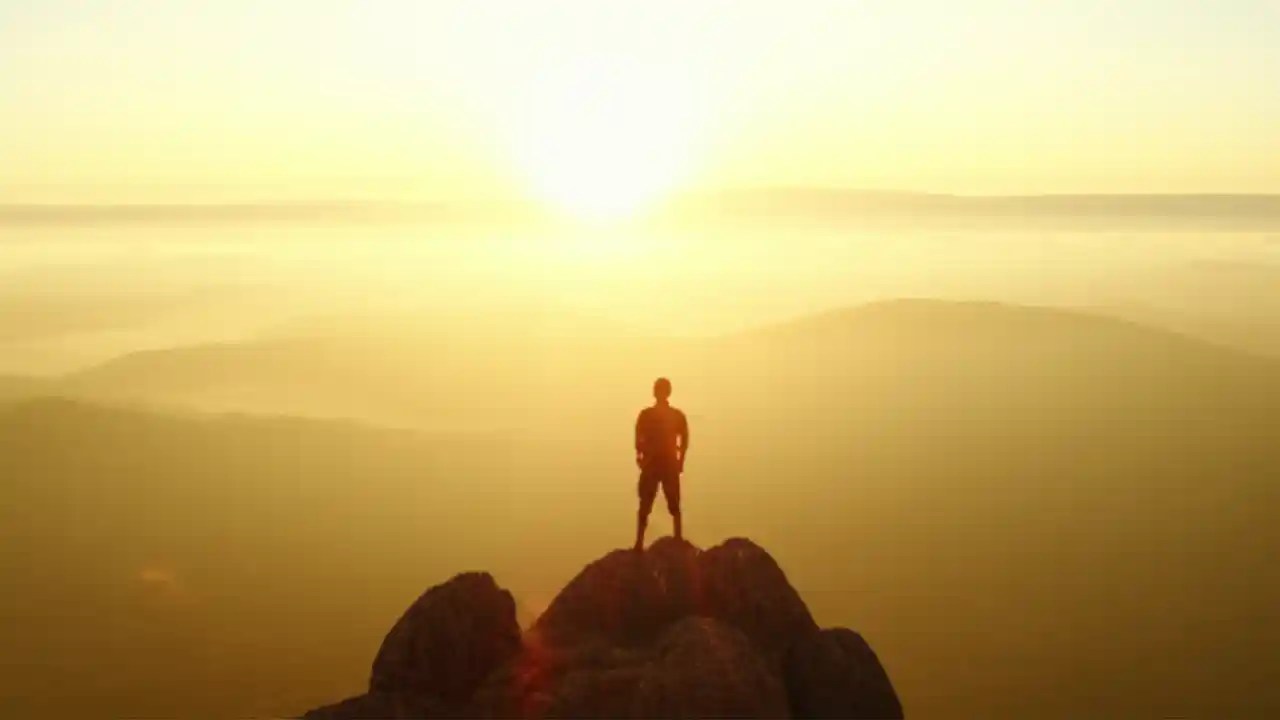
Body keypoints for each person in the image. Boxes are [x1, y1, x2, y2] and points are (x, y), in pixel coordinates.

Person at [634, 377, 689, 551]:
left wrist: (680, 459)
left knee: (671, 503)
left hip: (662, 463)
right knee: (647, 504)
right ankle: (640, 542)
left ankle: (675, 537)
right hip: (658, 463)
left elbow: (684, 437)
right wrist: (641, 455)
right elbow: (638, 437)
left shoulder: (667, 415)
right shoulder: (651, 415)